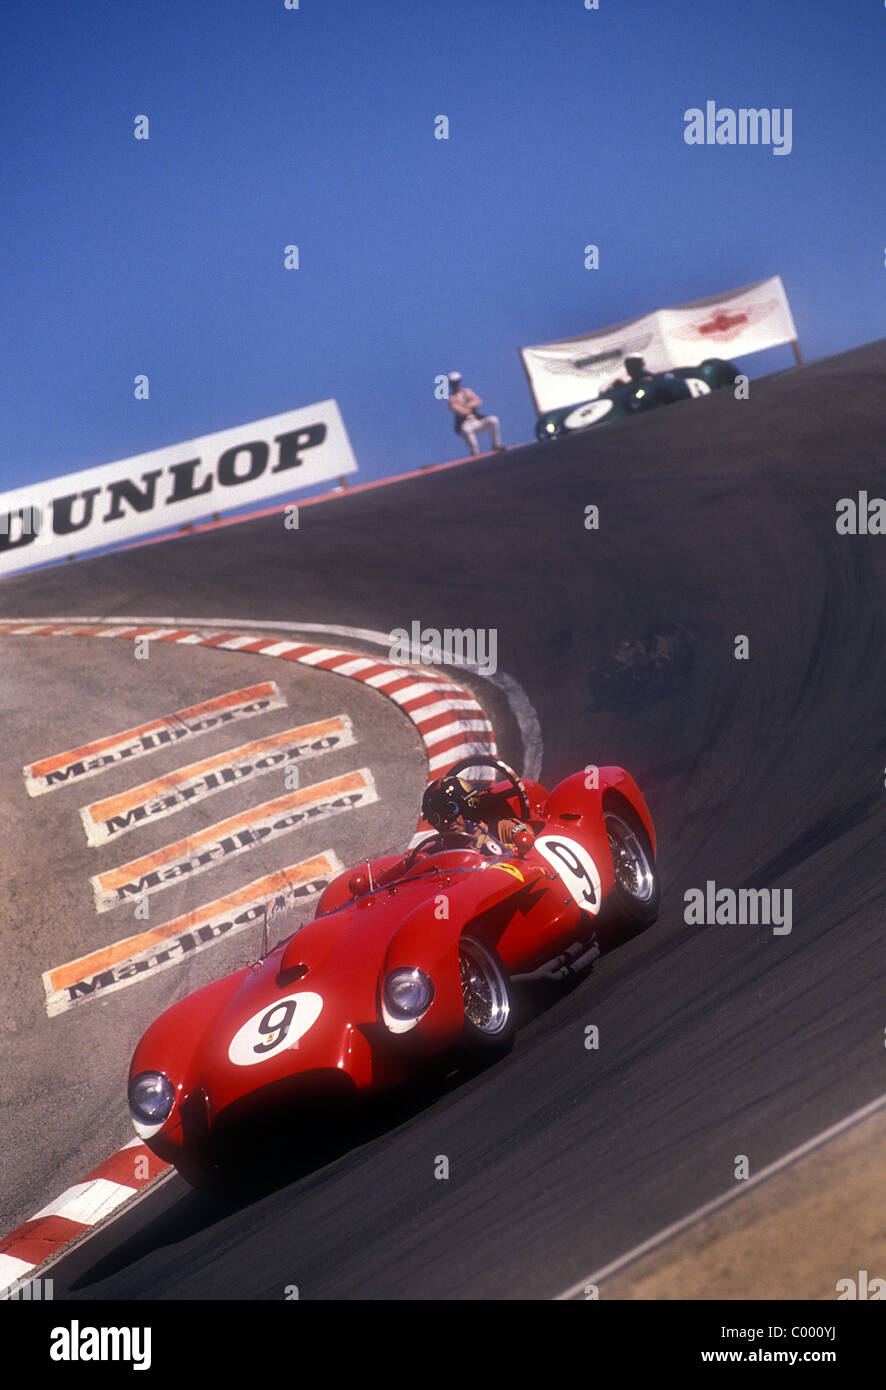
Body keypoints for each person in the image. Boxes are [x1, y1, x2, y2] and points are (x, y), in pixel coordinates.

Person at [421, 775, 527, 854]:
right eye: (436, 819)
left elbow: (529, 843)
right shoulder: (441, 850)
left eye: (450, 810)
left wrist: (495, 847)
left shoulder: (504, 828)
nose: (445, 821)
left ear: (467, 807)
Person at [446, 372, 505, 455]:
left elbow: (478, 402)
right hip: (465, 424)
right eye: (453, 383)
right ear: (451, 385)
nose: (456, 385)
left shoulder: (467, 391)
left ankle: (496, 446)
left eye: (457, 382)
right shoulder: (451, 399)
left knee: (493, 420)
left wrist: (466, 405)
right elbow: (460, 411)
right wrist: (470, 406)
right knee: (466, 430)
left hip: (476, 420)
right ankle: (475, 454)